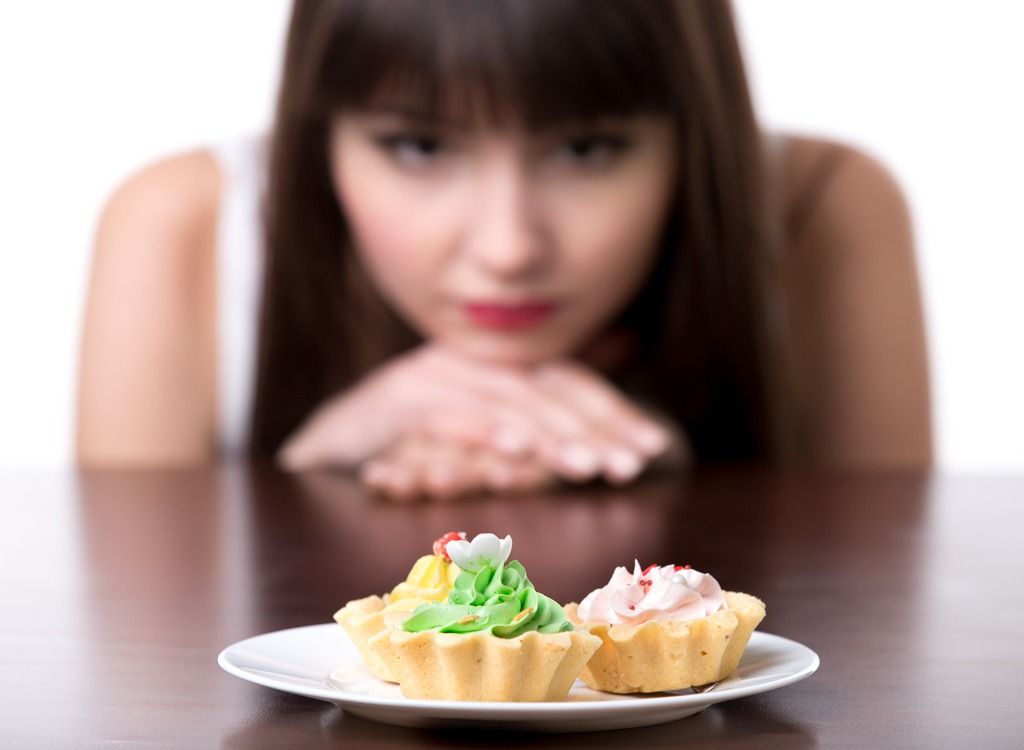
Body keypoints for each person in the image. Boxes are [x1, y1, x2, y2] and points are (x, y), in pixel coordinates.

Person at [76, 0, 932, 498]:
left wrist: (645, 474)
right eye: (418, 146)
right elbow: (131, 656)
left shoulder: (822, 211)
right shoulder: (186, 224)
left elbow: (885, 618)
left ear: (693, 134)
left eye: (586, 149)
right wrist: (317, 465)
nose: (509, 247)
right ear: (318, 133)